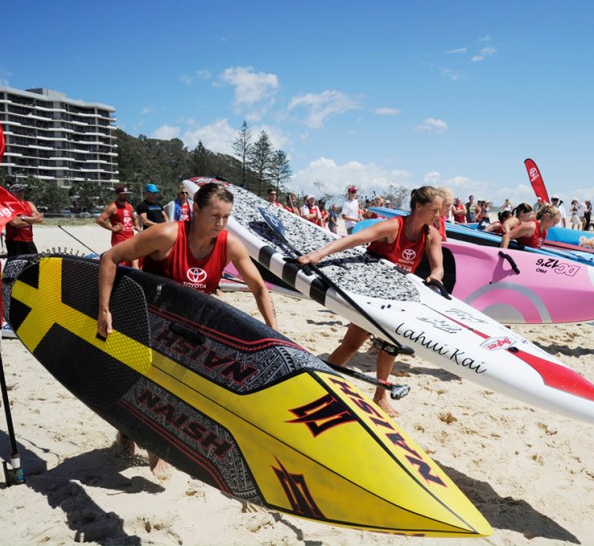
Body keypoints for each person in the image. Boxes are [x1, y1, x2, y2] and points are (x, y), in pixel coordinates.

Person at [98, 183, 278, 474]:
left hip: (188, 329)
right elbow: (110, 258)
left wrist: (273, 333)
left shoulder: (229, 244)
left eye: (226, 217)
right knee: (144, 384)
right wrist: (104, 310)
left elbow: (258, 288)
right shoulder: (167, 235)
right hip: (149, 322)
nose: (221, 223)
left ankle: (145, 436)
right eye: (215, 216)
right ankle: (134, 435)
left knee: (176, 389)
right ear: (196, 210)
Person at [297, 186, 444, 417]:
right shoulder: (393, 227)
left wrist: (435, 276)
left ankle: (380, 395)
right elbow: (353, 240)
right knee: (352, 345)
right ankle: (320, 382)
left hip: (397, 297)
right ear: (418, 206)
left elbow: (438, 265)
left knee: (390, 346)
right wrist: (318, 255)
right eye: (434, 210)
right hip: (371, 294)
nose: (439, 215)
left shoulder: (431, 234)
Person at [97, 185, 142, 268]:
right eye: (123, 194)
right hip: (119, 240)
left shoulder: (129, 206)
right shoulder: (113, 207)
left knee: (134, 263)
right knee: (121, 266)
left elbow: (134, 218)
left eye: (126, 194)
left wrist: (137, 226)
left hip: (130, 238)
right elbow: (99, 220)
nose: (125, 196)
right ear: (117, 195)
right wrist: (112, 228)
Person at [4, 184, 42, 256]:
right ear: (11, 193)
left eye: (22, 191)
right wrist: (31, 220)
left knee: (34, 263)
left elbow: (39, 219)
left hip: (28, 240)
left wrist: (22, 218)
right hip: (14, 241)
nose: (20, 194)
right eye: (17, 192)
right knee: (16, 264)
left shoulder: (29, 204)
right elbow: (14, 222)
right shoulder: (8, 205)